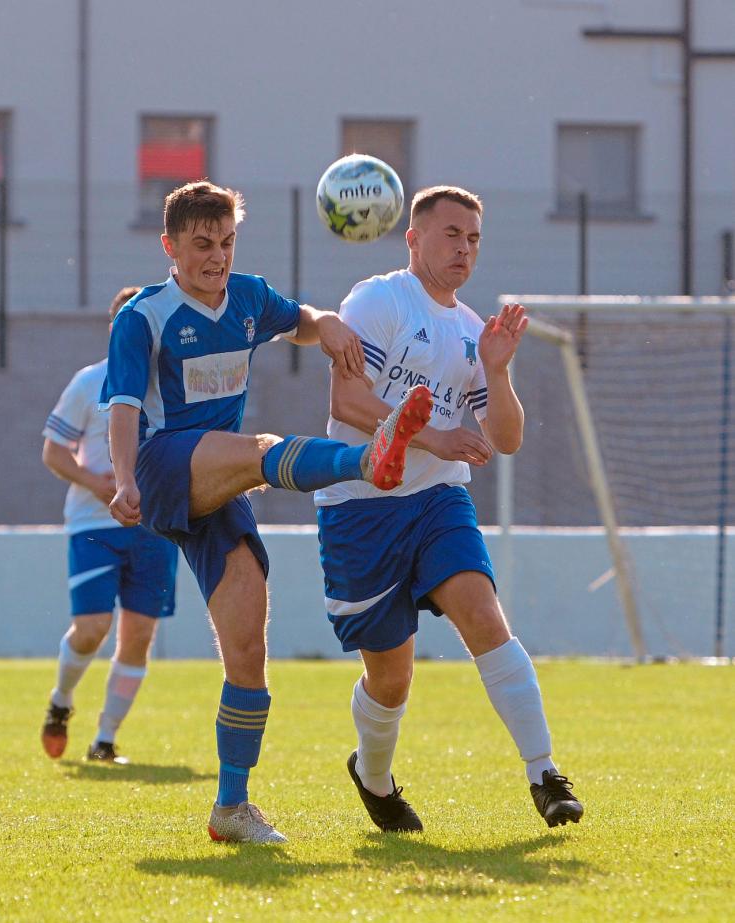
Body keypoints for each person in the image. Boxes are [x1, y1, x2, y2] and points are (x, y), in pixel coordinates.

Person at [100, 180, 430, 844]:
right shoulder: (142, 316)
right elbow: (124, 407)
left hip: (219, 487)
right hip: (164, 466)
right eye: (202, 244)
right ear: (169, 246)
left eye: (226, 242)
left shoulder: (248, 297)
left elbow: (298, 319)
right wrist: (124, 478)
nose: (217, 256)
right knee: (260, 450)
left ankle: (231, 808)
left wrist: (326, 323)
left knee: (248, 651)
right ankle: (365, 460)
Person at [315, 185, 584, 832]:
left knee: (485, 619)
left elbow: (507, 439)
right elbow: (347, 401)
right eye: (451, 234)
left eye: (474, 238)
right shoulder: (379, 300)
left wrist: (497, 370)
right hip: (360, 507)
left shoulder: (471, 331)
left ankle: (543, 772)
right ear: (413, 239)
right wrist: (432, 434)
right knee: (391, 679)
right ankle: (373, 776)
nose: (464, 248)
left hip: (438, 500)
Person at [40, 287, 179, 765]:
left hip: (155, 527)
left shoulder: (172, 386)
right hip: (93, 525)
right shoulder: (89, 382)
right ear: (115, 328)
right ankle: (61, 700)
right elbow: (53, 452)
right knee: (92, 628)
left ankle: (105, 739)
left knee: (138, 636)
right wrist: (95, 483)